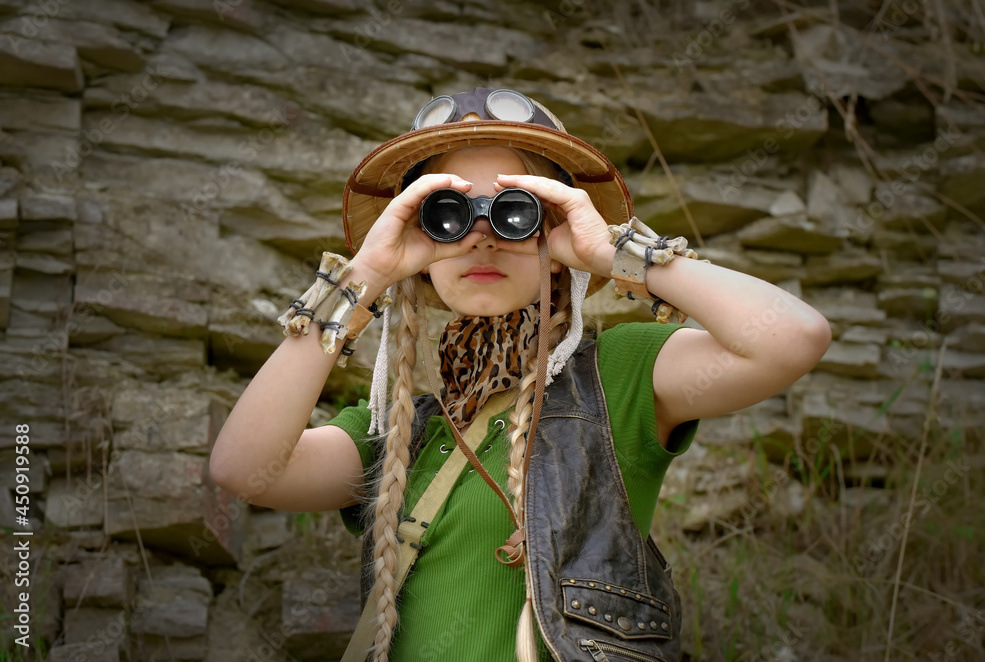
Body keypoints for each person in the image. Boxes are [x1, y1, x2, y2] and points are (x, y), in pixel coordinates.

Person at [209, 88, 832, 662]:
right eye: (445, 212)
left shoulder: (620, 377)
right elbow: (245, 469)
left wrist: (613, 252)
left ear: (557, 228)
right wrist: (366, 274)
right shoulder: (398, 433)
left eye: (516, 211)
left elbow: (790, 337)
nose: (481, 237)